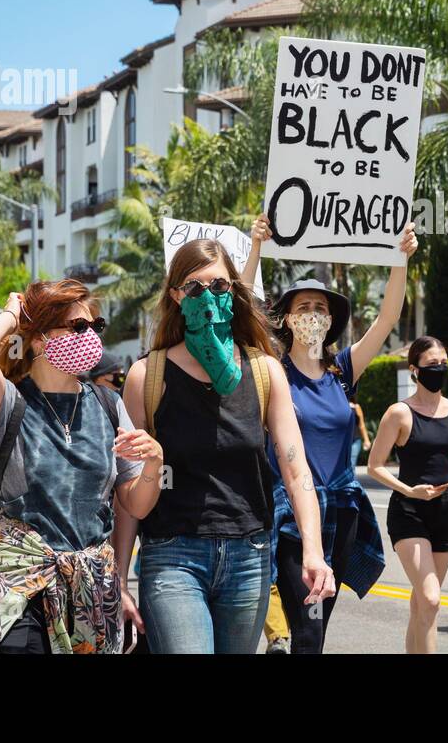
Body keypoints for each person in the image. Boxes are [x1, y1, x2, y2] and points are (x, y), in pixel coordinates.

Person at [111, 239, 332, 654]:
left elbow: (295, 467)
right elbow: (128, 486)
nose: (208, 296)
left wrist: (313, 551)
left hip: (249, 556)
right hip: (173, 557)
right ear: (176, 296)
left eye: (219, 286)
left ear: (233, 290)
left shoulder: (265, 371)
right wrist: (119, 578)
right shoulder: (147, 376)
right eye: (194, 288)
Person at [0, 279, 164, 653]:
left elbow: (136, 504)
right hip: (17, 587)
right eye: (77, 326)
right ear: (39, 339)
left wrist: (154, 462)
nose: (90, 336)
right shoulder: (9, 400)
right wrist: (12, 315)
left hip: (89, 593)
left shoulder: (108, 404)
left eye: (95, 326)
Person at [245, 215, 417, 654]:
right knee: (305, 628)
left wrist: (400, 258)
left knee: (318, 627)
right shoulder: (273, 371)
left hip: (342, 510)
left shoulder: (342, 370)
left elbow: (388, 317)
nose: (313, 315)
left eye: (320, 308)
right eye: (303, 307)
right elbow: (240, 320)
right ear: (286, 319)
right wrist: (256, 247)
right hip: (291, 513)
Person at [368, 336, 448, 653]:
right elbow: (374, 466)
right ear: (415, 369)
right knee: (430, 598)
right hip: (409, 512)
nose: (439, 369)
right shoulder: (399, 413)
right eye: (431, 364)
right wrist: (409, 490)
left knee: (422, 604)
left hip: (446, 511)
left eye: (443, 363)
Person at [349, 401, 369, 469]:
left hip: (355, 440)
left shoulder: (356, 407)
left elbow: (361, 425)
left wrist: (366, 440)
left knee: (351, 464)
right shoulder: (338, 405)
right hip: (340, 441)